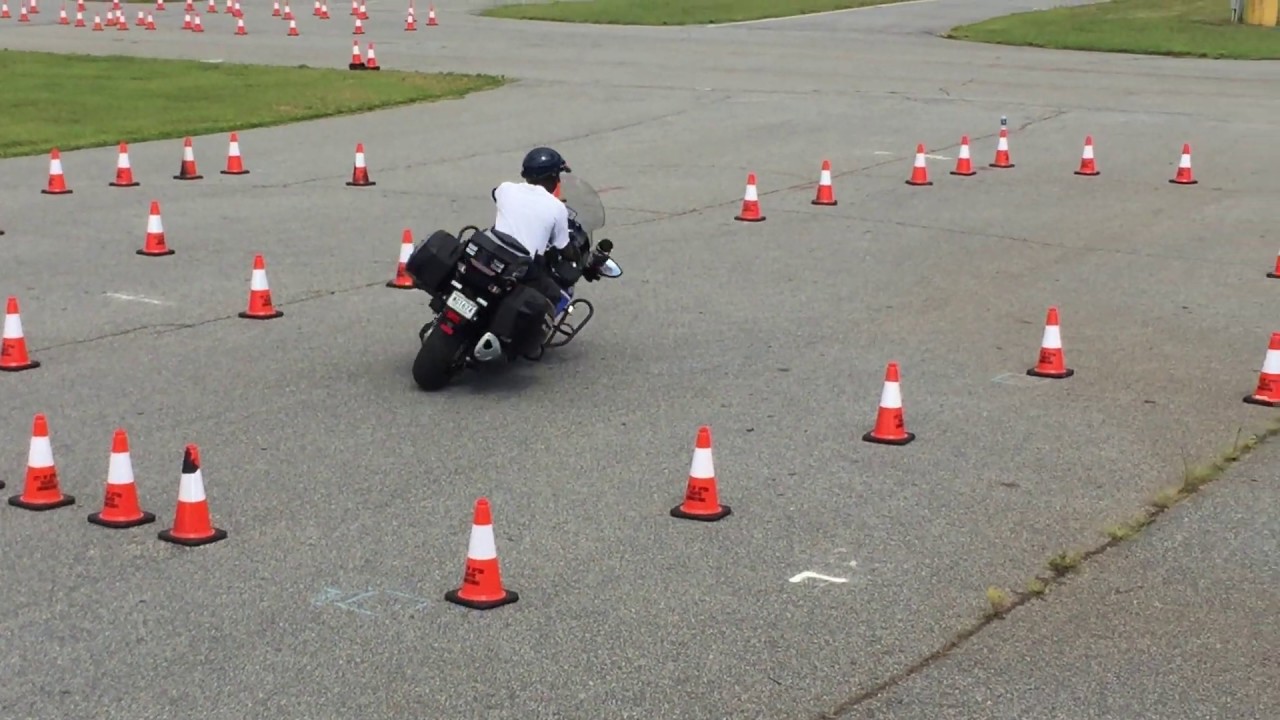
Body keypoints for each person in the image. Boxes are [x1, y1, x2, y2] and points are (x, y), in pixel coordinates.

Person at [491, 147, 580, 305]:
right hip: (520, 269)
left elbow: (495, 193)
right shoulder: (556, 208)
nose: (559, 181)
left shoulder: (505, 189)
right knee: (556, 296)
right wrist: (576, 254)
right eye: (557, 175)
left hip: (490, 254)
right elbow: (565, 249)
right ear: (552, 177)